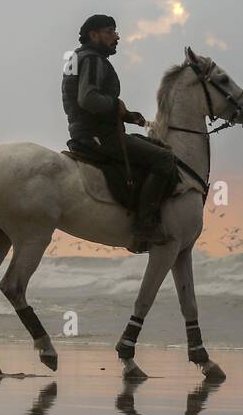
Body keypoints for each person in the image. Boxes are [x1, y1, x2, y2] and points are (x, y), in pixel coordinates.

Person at [62, 14, 175, 252]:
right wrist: (116, 105)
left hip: (86, 131)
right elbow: (88, 99)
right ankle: (145, 224)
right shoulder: (93, 59)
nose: (117, 37)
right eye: (111, 31)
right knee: (164, 158)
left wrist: (126, 115)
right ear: (94, 35)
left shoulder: (78, 58)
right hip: (98, 136)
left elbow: (87, 102)